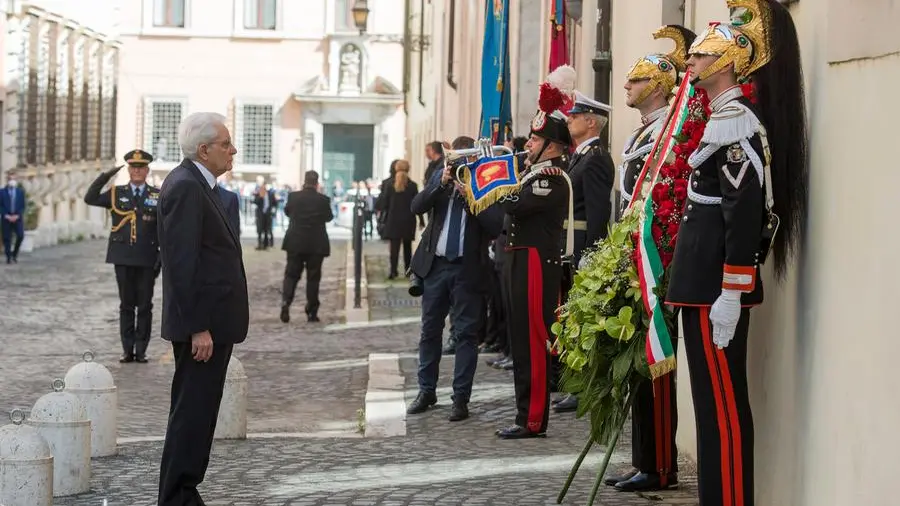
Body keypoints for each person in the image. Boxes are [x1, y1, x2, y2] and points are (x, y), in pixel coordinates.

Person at [665, 2, 808, 504]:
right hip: (700, 286)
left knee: (722, 408)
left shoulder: (737, 124)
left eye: (700, 56)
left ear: (725, 60)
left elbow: (742, 216)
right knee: (710, 407)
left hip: (714, 290)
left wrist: (731, 289)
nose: (692, 63)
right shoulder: (722, 119)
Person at [603, 25, 696, 492]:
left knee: (656, 362)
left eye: (635, 80)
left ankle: (660, 464)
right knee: (639, 364)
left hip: (655, 262)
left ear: (658, 84)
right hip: (632, 255)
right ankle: (645, 457)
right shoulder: (644, 134)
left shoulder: (668, 134)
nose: (626, 85)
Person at [156, 112, 249, 506]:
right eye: (226, 143)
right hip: (202, 328)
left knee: (200, 414)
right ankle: (178, 495)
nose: (233, 150)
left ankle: (183, 491)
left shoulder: (201, 185)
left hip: (213, 323)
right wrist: (197, 327)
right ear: (204, 149)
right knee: (191, 415)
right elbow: (181, 264)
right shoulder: (185, 187)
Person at [496, 66, 574, 439]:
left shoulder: (550, 178)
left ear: (552, 146)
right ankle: (523, 411)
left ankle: (532, 418)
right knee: (520, 339)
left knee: (533, 339)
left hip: (534, 264)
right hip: (519, 260)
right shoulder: (533, 174)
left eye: (533, 140)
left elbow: (514, 204)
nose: (527, 145)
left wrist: (498, 185)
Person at [406, 135, 504, 422]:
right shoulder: (441, 176)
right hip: (436, 267)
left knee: (465, 335)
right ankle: (426, 390)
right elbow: (417, 206)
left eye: (466, 158)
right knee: (429, 332)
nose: (461, 163)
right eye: (456, 158)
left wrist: (470, 194)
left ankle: (460, 398)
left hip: (467, 268)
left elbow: (496, 224)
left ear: (475, 158)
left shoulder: (486, 180)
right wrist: (443, 183)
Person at [552, 91, 615, 415]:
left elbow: (597, 211)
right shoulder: (581, 157)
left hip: (582, 250)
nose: (570, 120)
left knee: (581, 320)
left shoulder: (596, 159)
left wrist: (590, 253)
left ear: (591, 122)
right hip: (570, 247)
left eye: (575, 116)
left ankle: (583, 387)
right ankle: (575, 383)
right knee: (571, 319)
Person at [84, 149, 162, 363]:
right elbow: (89, 198)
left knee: (145, 306)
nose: (137, 171)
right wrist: (107, 175)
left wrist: (161, 258)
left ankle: (141, 350)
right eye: (133, 168)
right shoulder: (115, 193)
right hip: (123, 257)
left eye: (141, 168)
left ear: (147, 170)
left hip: (147, 258)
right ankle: (127, 349)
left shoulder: (157, 195)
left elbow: (164, 229)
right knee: (126, 305)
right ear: (128, 169)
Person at [280, 170, 333, 323]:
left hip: (295, 242)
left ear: (305, 181)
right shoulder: (323, 200)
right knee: (313, 278)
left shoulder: (293, 197)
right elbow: (329, 217)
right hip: (316, 244)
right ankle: (312, 311)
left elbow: (288, 212)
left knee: (291, 275)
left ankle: (286, 303)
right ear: (317, 183)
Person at [380, 160, 419, 279]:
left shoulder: (389, 185)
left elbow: (384, 203)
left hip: (393, 220)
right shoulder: (412, 185)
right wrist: (421, 220)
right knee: (407, 247)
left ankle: (393, 271)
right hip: (408, 220)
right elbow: (417, 204)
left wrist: (382, 216)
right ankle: (408, 270)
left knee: (394, 248)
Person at [0, 171, 27, 264]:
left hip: (17, 218)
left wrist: (17, 215)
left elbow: (23, 206)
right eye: (10, 179)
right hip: (6, 218)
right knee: (7, 238)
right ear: (7, 180)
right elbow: (0, 206)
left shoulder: (20, 192)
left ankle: (14, 254)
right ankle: (8, 257)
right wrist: (6, 215)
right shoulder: (2, 192)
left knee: (20, 235)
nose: (12, 181)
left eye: (13, 179)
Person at [254, 182, 277, 250]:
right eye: (262, 188)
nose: (263, 189)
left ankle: (266, 245)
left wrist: (273, 210)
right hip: (260, 215)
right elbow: (255, 202)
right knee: (259, 231)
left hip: (268, 215)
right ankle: (259, 245)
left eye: (264, 188)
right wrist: (260, 197)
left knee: (267, 230)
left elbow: (275, 203)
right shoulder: (258, 194)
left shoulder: (270, 194)